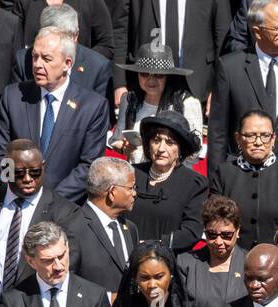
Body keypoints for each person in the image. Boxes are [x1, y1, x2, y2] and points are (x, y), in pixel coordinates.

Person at [0, 28, 109, 203]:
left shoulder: (92, 106)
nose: (38, 64)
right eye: (35, 57)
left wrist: (47, 202)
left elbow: (88, 166)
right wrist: (15, 188)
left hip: (63, 210)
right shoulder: (13, 97)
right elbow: (0, 153)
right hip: (16, 201)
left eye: (46, 59)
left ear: (67, 64)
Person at [0, 138, 84, 297]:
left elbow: (68, 267)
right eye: (19, 172)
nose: (28, 179)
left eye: (35, 172)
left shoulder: (65, 213)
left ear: (43, 167)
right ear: (6, 169)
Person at [209, 0, 278, 165]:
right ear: (257, 32)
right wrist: (217, 181)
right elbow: (218, 132)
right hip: (241, 171)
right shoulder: (230, 67)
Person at [207, 109, 278, 247]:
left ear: (273, 138)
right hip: (234, 258)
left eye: (265, 135)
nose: (258, 142)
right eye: (251, 135)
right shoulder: (224, 173)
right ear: (238, 138)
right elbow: (215, 219)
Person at [112, 0, 230, 107]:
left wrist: (218, 88)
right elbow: (119, 30)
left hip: (197, 83)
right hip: (147, 81)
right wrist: (119, 84)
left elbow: (222, 34)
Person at [109, 42, 204, 166]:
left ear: (169, 77)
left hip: (175, 175)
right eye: (144, 74)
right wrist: (124, 147)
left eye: (158, 75)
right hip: (138, 175)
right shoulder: (129, 100)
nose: (151, 80)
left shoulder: (188, 103)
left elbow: (196, 151)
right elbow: (116, 140)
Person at [124, 110, 206, 253]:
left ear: (180, 149)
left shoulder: (194, 184)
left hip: (167, 261)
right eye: (156, 140)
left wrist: (154, 245)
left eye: (170, 142)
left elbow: (192, 231)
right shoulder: (129, 173)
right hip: (125, 254)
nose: (161, 148)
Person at [8, 4, 114, 106]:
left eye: (63, 39)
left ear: (76, 35)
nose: (56, 45)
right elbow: (16, 107)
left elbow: (101, 116)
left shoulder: (98, 68)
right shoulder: (23, 60)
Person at [69, 156, 139, 293]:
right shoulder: (73, 229)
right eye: (131, 188)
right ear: (112, 192)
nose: (134, 193)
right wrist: (105, 299)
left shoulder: (131, 229)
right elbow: (66, 283)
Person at [177, 195, 248, 307]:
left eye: (226, 235)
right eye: (212, 235)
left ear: (238, 231)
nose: (219, 242)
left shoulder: (249, 263)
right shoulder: (185, 263)